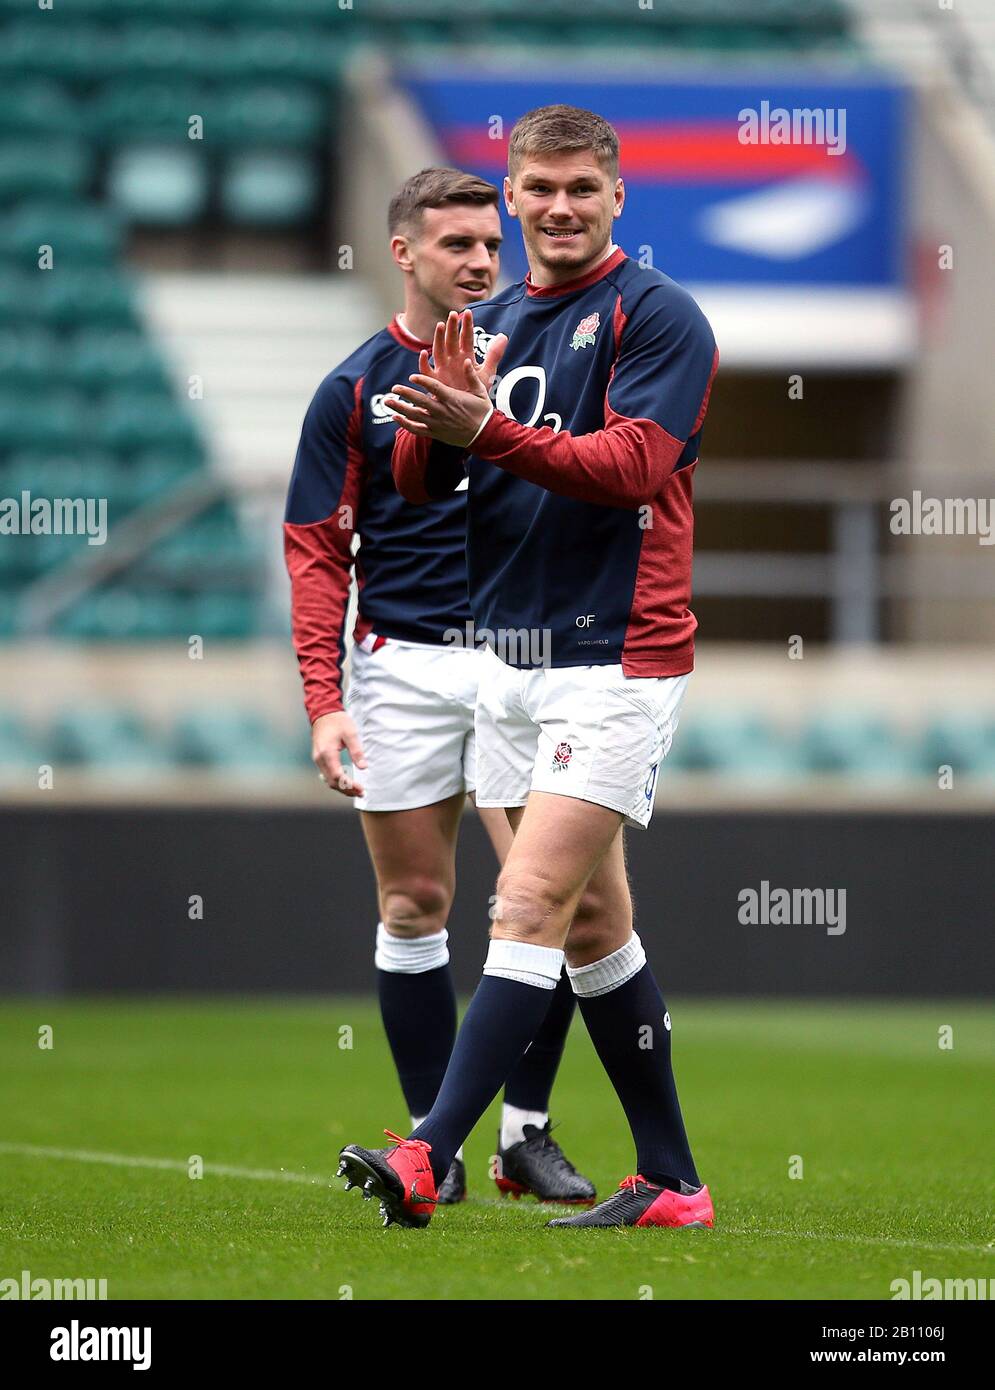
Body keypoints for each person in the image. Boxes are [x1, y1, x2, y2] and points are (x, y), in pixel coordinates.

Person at [338, 105, 719, 1230]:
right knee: (595, 929)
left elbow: (631, 466)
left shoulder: (658, 316)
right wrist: (433, 424)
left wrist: (483, 429)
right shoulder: (490, 320)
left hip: (615, 655)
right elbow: (416, 480)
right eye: (538, 189)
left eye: (580, 190)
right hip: (505, 657)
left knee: (527, 897)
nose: (558, 208)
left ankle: (426, 1152)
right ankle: (671, 1181)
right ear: (510, 197)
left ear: (615, 199)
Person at [284, 166, 594, 1205]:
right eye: (455, 245)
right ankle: (436, 1147)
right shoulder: (352, 386)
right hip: (402, 665)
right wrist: (323, 700)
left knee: (548, 897)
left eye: (487, 245)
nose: (477, 261)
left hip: (524, 655)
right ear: (403, 253)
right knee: (415, 902)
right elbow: (318, 548)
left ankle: (522, 1129)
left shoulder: (540, 356)